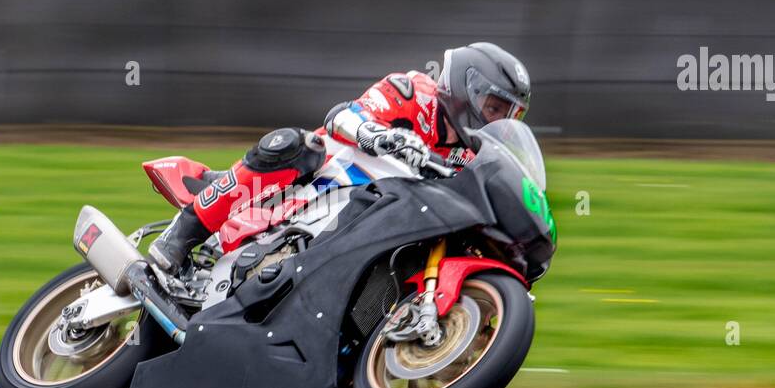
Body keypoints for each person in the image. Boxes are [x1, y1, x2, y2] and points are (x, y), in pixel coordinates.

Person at [148, 42, 532, 272]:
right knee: (294, 143)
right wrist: (383, 136)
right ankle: (181, 234)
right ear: (466, 86)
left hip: (377, 218)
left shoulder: (468, 154)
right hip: (317, 181)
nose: (496, 119)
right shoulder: (415, 92)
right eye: (494, 107)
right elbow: (343, 115)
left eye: (507, 115)